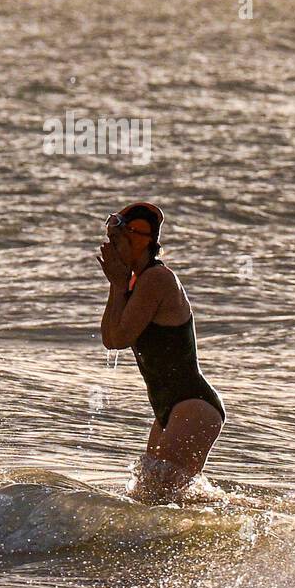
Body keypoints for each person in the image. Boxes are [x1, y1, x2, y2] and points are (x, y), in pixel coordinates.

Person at [98, 202, 225, 503]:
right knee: (151, 501)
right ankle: (254, 516)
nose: (108, 249)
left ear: (138, 240)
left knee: (160, 500)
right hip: (170, 410)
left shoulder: (157, 279)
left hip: (193, 405)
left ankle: (271, 521)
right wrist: (117, 286)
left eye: (115, 242)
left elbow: (120, 338)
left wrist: (117, 284)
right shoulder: (134, 282)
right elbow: (109, 337)